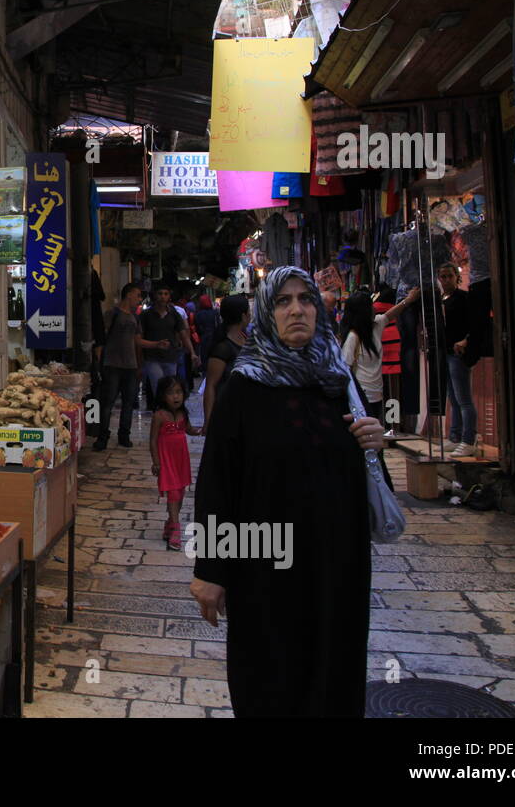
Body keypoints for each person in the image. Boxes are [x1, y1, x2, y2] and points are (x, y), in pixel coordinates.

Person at [189, 266, 385, 717]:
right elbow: (217, 482)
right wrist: (210, 571)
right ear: (264, 313)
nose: (297, 309)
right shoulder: (245, 387)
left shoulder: (338, 383)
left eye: (306, 299)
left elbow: (364, 477)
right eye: (283, 301)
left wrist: (374, 442)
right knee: (271, 680)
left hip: (338, 567)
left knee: (335, 676)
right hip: (264, 568)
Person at [93, 283, 162, 450]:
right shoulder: (112, 314)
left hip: (130, 366)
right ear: (129, 294)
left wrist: (155, 344)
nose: (139, 300)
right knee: (108, 403)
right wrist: (99, 362)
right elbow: (101, 338)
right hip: (112, 364)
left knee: (128, 403)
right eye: (138, 295)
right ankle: (102, 436)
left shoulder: (134, 317)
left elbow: (137, 341)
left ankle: (124, 435)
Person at [340, 287, 420, 422]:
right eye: (370, 305)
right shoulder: (353, 337)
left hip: (376, 393)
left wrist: (409, 300)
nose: (374, 308)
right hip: (361, 395)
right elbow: (345, 370)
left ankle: (392, 427)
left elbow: (391, 314)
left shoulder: (376, 325)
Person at [150, 375, 201, 551]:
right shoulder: (159, 416)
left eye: (179, 392)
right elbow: (153, 440)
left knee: (179, 493)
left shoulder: (182, 414)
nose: (176, 397)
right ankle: (176, 530)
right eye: (171, 393)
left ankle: (171, 523)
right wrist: (156, 461)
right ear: (162, 396)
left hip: (181, 461)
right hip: (166, 461)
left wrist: (202, 430)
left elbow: (189, 430)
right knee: (173, 493)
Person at [437, 262, 476, 457]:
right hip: (444, 351)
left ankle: (468, 440)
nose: (446, 280)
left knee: (464, 399)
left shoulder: (463, 298)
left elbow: (475, 323)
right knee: (452, 398)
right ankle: (455, 436)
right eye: (442, 277)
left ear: (456, 277)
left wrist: (465, 341)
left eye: (449, 276)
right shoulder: (441, 299)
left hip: (457, 352)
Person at [202, 293, 250, 430]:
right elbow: (211, 385)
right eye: (249, 312)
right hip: (228, 409)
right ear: (243, 316)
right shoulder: (223, 347)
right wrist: (208, 421)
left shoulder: (245, 338)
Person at [139, 285, 193, 408]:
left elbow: (184, 334)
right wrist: (140, 359)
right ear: (155, 295)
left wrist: (192, 352)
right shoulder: (146, 315)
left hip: (170, 357)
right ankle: (161, 414)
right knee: (158, 388)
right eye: (160, 293)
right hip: (152, 357)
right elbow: (139, 338)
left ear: (169, 296)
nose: (163, 297)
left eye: (165, 294)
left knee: (170, 388)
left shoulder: (174, 314)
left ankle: (168, 414)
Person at [194, 295, 219, 374]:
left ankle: (206, 373)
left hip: (204, 337)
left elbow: (197, 328)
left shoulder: (198, 314)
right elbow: (218, 324)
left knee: (205, 356)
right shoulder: (215, 312)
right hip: (215, 336)